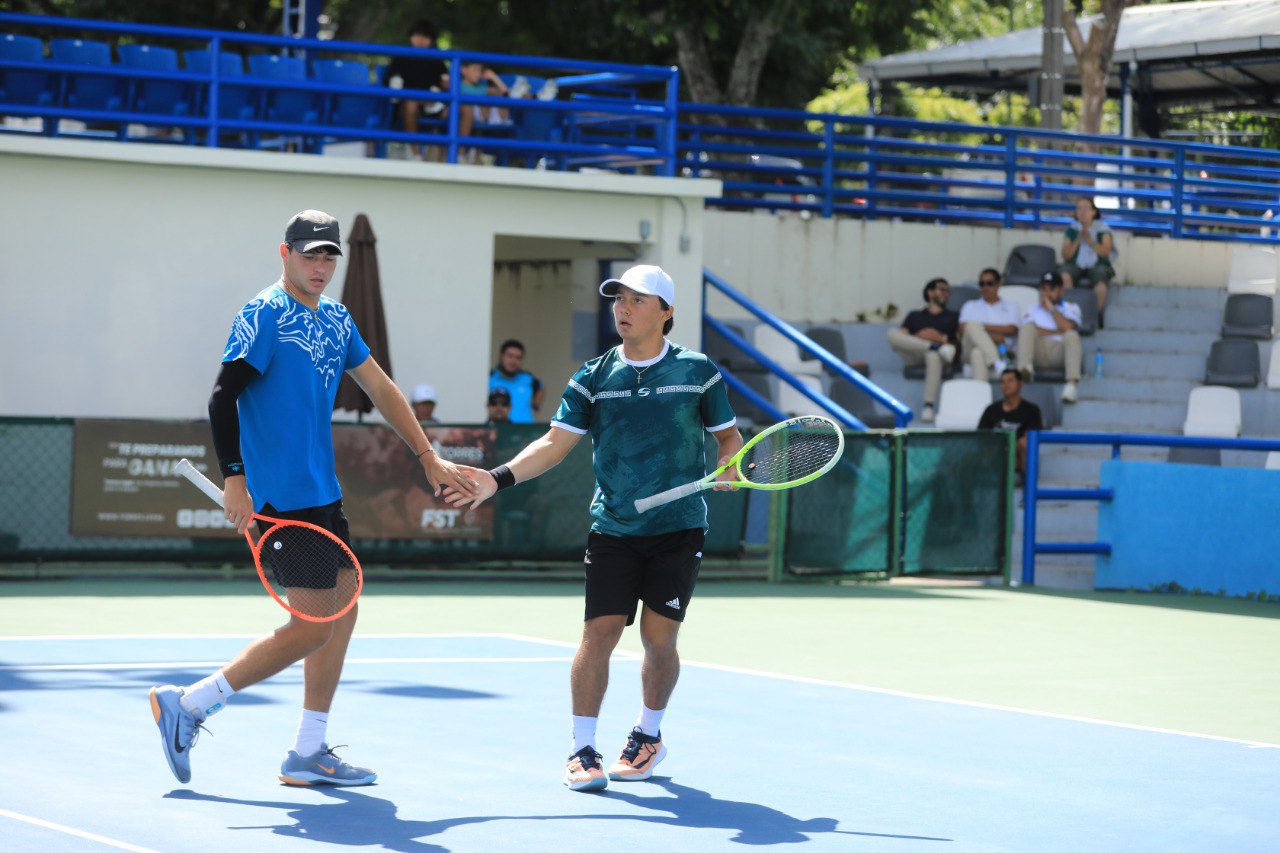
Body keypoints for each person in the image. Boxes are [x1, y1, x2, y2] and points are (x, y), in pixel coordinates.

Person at [148, 210, 478, 787]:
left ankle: (307, 751)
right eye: (310, 255)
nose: (320, 266)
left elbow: (380, 386)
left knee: (341, 610)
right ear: (285, 254)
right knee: (311, 627)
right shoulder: (264, 313)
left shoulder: (336, 318)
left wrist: (428, 457)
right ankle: (192, 703)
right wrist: (234, 479)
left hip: (322, 494)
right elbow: (223, 398)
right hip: (281, 499)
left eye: (329, 257)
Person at [442, 264, 742, 793]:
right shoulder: (594, 375)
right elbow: (555, 443)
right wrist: (496, 478)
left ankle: (648, 735)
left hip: (679, 528)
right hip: (614, 528)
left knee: (658, 640)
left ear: (667, 312)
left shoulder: (698, 372)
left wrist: (732, 467)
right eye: (618, 298)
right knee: (598, 634)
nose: (623, 308)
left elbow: (728, 438)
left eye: (638, 300)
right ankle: (582, 750)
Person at [886, 277, 959, 424]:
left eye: (948, 291)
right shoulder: (914, 315)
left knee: (933, 355)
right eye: (942, 289)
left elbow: (956, 345)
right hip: (915, 353)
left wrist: (939, 338)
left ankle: (928, 406)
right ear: (930, 292)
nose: (946, 293)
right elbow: (901, 338)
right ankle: (932, 346)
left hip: (941, 355)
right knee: (891, 333)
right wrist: (919, 337)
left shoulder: (953, 316)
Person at [1016, 271, 1084, 404]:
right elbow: (1031, 332)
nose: (1047, 294)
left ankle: (1071, 385)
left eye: (1052, 289)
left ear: (1061, 290)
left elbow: (1069, 328)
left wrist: (1052, 310)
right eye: (1044, 289)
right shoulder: (1032, 310)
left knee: (1072, 336)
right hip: (1038, 351)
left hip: (1059, 353)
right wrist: (1059, 331)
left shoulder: (1072, 308)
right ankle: (1025, 371)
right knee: (1028, 328)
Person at [385, 19, 448, 160]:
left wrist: (444, 92)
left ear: (431, 40)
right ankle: (415, 153)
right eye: (418, 35)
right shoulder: (401, 57)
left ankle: (453, 157)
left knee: (456, 109)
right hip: (404, 103)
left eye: (425, 37)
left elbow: (445, 86)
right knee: (411, 103)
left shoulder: (437, 61)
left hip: (431, 105)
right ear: (411, 36)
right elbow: (389, 81)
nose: (421, 40)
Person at [1058, 197, 1116, 323]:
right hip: (1075, 265)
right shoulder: (1072, 230)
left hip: (1099, 264)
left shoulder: (1103, 229)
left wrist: (1090, 240)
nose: (1082, 212)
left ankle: (1096, 315)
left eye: (1086, 208)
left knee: (1101, 280)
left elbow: (1106, 252)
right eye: (1079, 208)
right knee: (1064, 276)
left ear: (1094, 212)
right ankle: (1068, 314)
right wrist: (1078, 238)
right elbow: (1066, 256)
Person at [978, 367, 1043, 478]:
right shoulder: (991, 410)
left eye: (1010, 380)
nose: (1006, 384)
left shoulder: (1031, 410)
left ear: (1020, 383)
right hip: (994, 454)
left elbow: (1032, 437)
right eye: (1002, 381)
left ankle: (1028, 488)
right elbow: (981, 435)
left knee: (1025, 443)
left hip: (1016, 455)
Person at [958, 268, 1021, 380]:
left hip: (1002, 350)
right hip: (969, 348)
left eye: (989, 283)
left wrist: (982, 328)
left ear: (998, 285)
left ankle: (981, 395)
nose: (985, 287)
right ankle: (996, 362)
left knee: (977, 352)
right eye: (981, 284)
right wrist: (992, 337)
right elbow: (963, 329)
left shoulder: (1011, 306)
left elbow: (1012, 329)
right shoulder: (970, 305)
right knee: (972, 325)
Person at [489, 338, 544, 423]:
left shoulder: (527, 378)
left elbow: (541, 388)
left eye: (518, 358)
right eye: (510, 356)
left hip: (526, 429)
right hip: (500, 429)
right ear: (501, 357)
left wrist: (536, 406)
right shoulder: (490, 377)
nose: (514, 361)